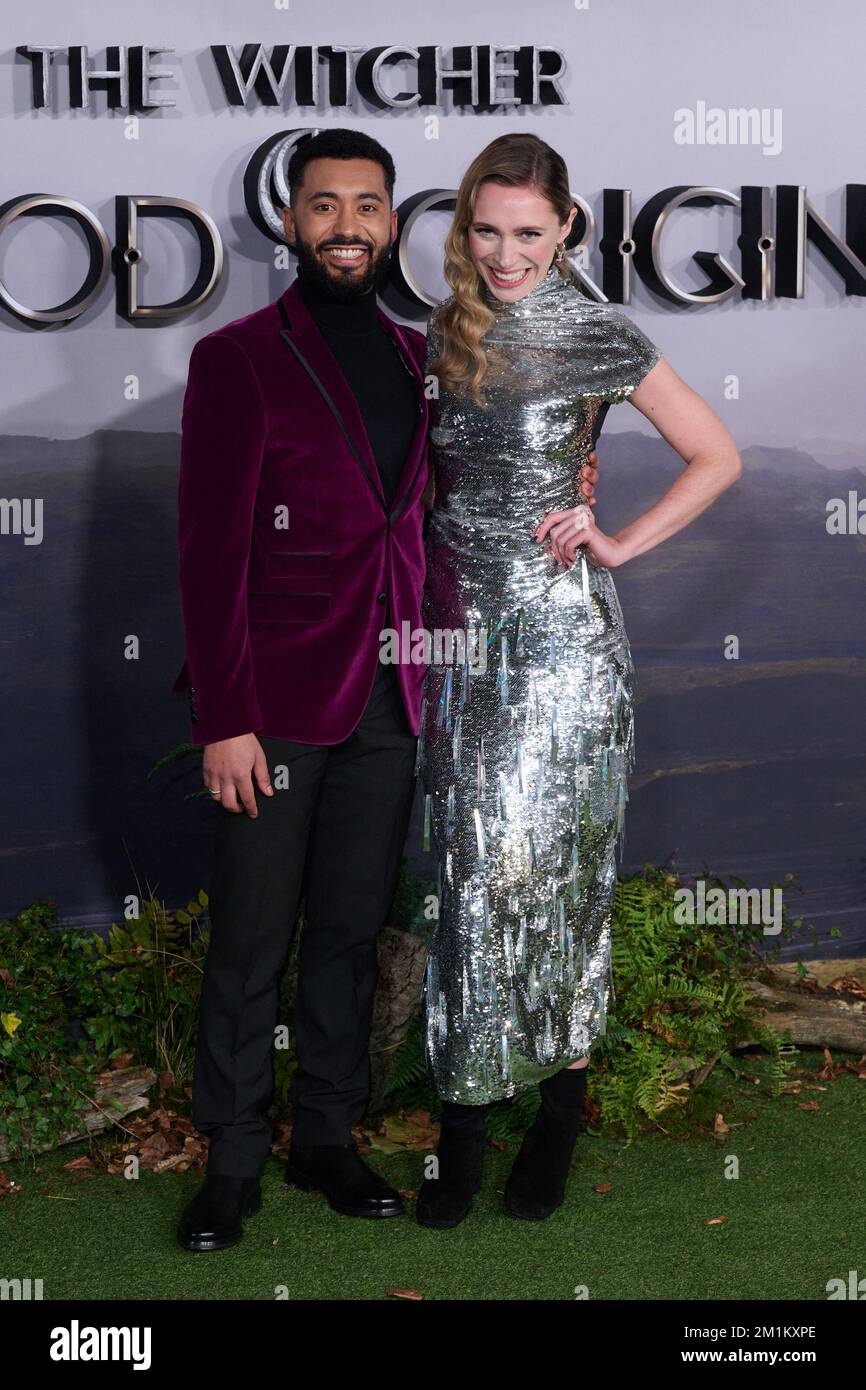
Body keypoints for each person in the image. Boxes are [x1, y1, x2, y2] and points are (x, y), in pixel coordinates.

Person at [169, 124, 606, 1251]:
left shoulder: (427, 357)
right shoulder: (236, 358)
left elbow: (462, 494)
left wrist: (578, 482)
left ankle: (326, 1137)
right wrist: (224, 718)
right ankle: (228, 1163)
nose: (347, 227)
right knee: (252, 938)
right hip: (270, 705)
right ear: (291, 221)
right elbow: (208, 554)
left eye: (367, 206)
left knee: (351, 934)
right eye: (324, 206)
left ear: (393, 221)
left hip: (396, 698)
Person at [415, 132, 742, 1229]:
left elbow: (716, 453)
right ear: (464, 228)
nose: (506, 253)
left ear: (565, 231)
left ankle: (557, 1111)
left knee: (560, 877)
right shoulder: (443, 330)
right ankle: (460, 1126)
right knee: (467, 884)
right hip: (461, 647)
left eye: (528, 231)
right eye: (486, 229)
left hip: (562, 647)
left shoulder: (598, 330)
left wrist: (617, 539)